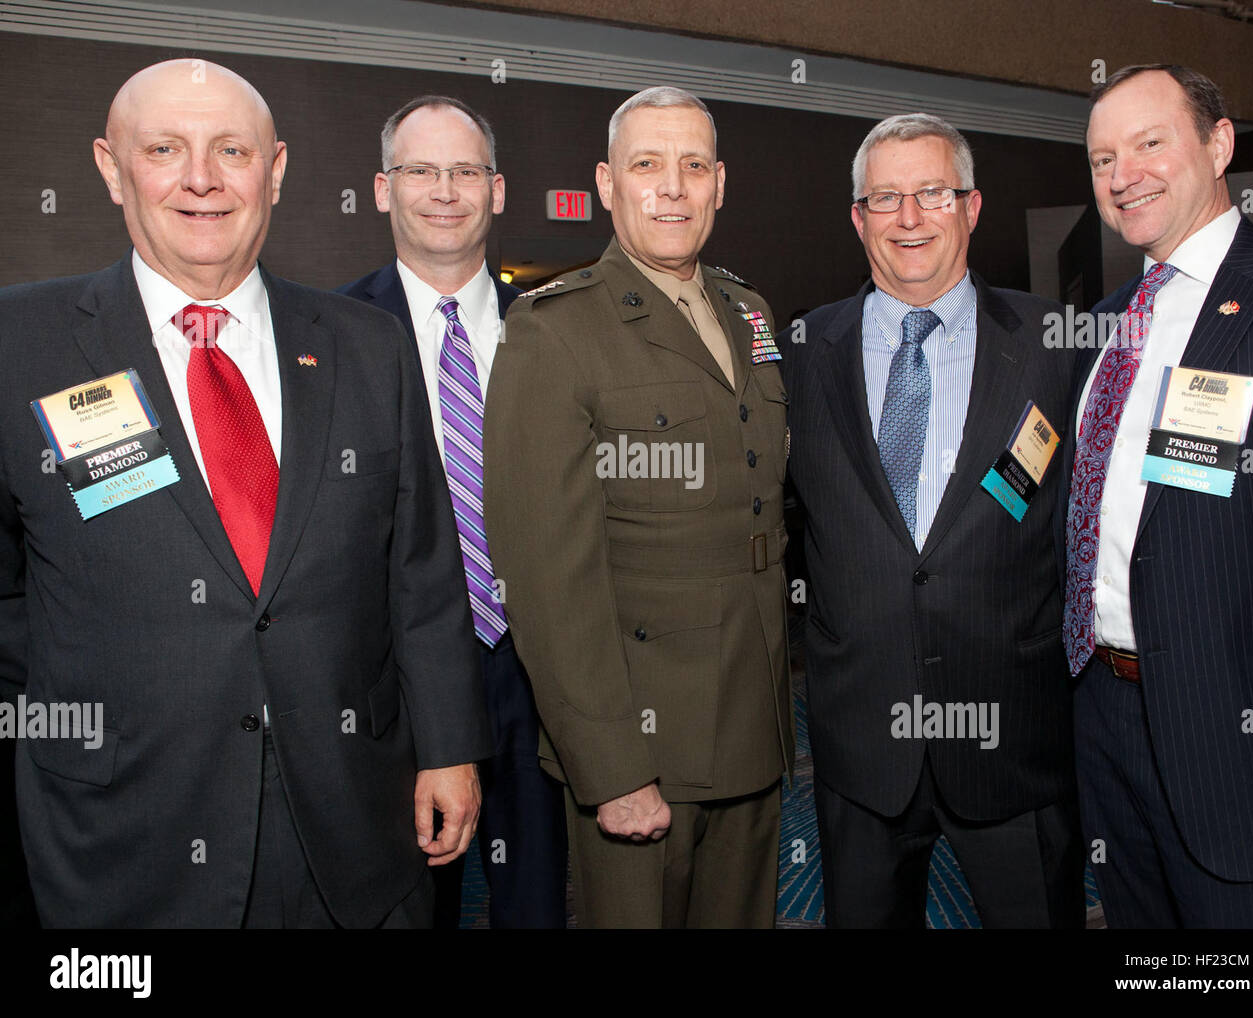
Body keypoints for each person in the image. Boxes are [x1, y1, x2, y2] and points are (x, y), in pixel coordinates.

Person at [0, 59, 490, 928]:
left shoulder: (366, 347)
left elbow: (421, 575)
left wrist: (450, 747)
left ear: (277, 170)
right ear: (112, 169)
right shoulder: (21, 345)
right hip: (123, 838)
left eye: (232, 149)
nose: (201, 179)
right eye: (164, 149)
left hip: (355, 824)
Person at [482, 86, 793, 928]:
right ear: (607, 184)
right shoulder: (552, 330)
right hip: (643, 740)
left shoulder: (749, 312)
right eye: (646, 165)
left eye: (693, 166)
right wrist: (612, 764)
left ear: (720, 184)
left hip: (754, 723)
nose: (672, 188)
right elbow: (545, 576)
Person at [777, 113, 1082, 928]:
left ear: (972, 207)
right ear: (857, 217)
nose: (909, 218)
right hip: (860, 745)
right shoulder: (798, 351)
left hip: (1013, 737)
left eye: (932, 194)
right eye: (886, 198)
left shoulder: (1057, 347)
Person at [1062, 63, 1253, 927]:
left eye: (1150, 143)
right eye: (1101, 159)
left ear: (1220, 143)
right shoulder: (1113, 317)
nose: (1123, 175)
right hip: (1108, 714)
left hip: (1248, 733)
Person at [338, 96, 566, 929]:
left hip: (539, 667)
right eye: (420, 170)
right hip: (395, 676)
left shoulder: (553, 330)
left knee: (538, 896)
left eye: (466, 170)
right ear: (381, 188)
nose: (445, 190)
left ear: (497, 190)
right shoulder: (330, 335)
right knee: (407, 899)